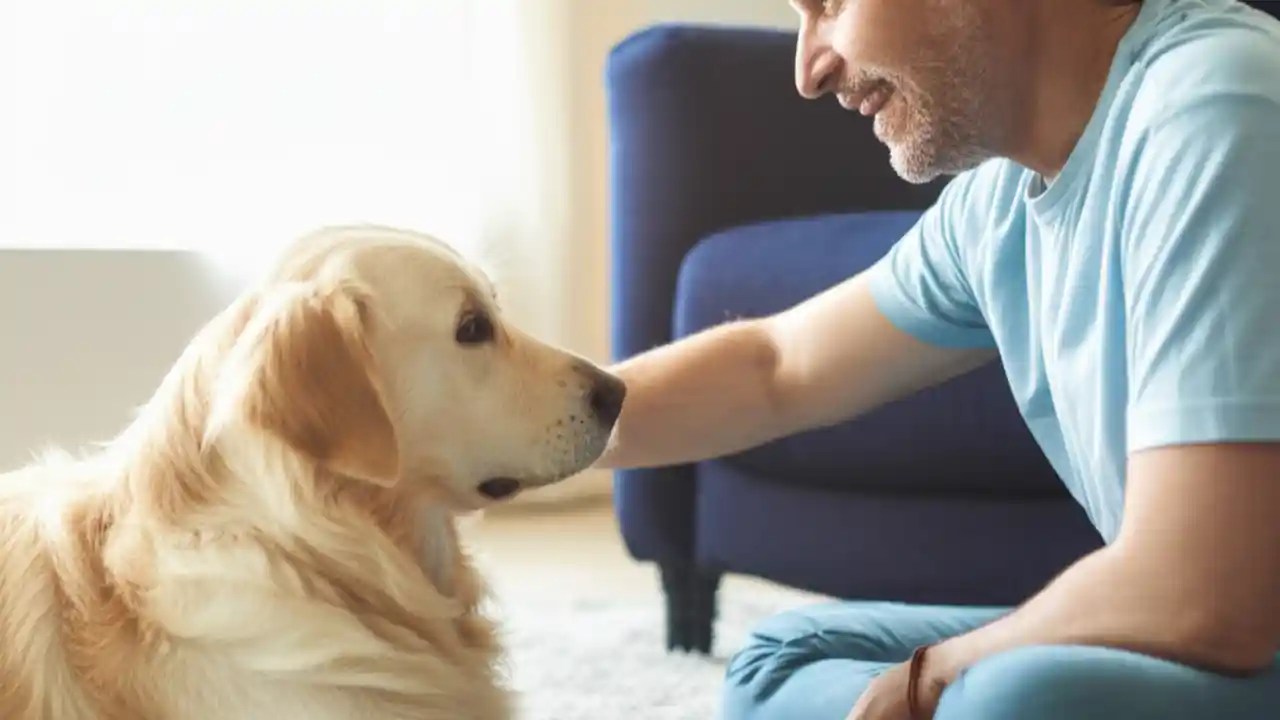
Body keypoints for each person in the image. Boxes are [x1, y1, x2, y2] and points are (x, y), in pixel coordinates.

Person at [593, 0, 1280, 718]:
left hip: (1237, 627)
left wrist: (938, 674)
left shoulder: (1215, 102)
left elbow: (1206, 595)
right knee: (783, 658)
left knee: (1008, 697)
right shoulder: (999, 205)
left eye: (830, 5)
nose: (809, 70)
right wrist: (519, 425)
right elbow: (775, 366)